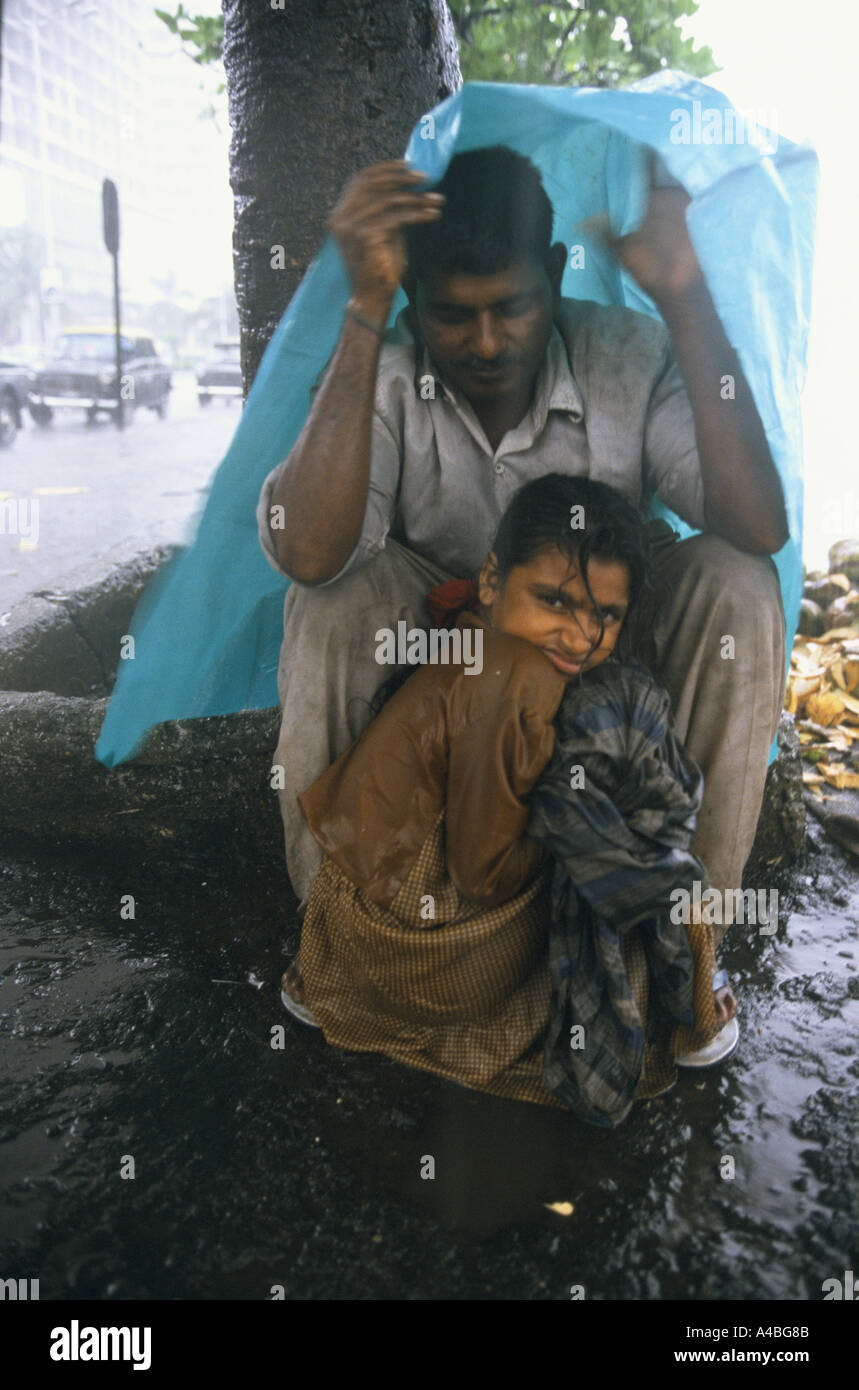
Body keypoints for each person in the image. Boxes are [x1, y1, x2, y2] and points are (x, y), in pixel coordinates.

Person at [256, 145, 787, 942]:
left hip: (599, 647)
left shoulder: (630, 357)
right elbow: (306, 554)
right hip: (442, 656)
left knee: (738, 582)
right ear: (409, 294)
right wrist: (364, 311)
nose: (485, 342)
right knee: (328, 597)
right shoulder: (387, 369)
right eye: (450, 314)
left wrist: (686, 297)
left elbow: (758, 526)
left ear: (553, 272)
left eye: (511, 307)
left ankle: (686, 949)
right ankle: (339, 944)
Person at [281, 475, 737, 1114]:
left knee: (607, 806)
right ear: (491, 581)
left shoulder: (486, 645)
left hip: (360, 918)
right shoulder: (512, 674)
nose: (581, 637)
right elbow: (482, 874)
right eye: (554, 601)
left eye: (605, 616)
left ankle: (340, 987)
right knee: (620, 882)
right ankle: (688, 1007)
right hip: (414, 937)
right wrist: (571, 837)